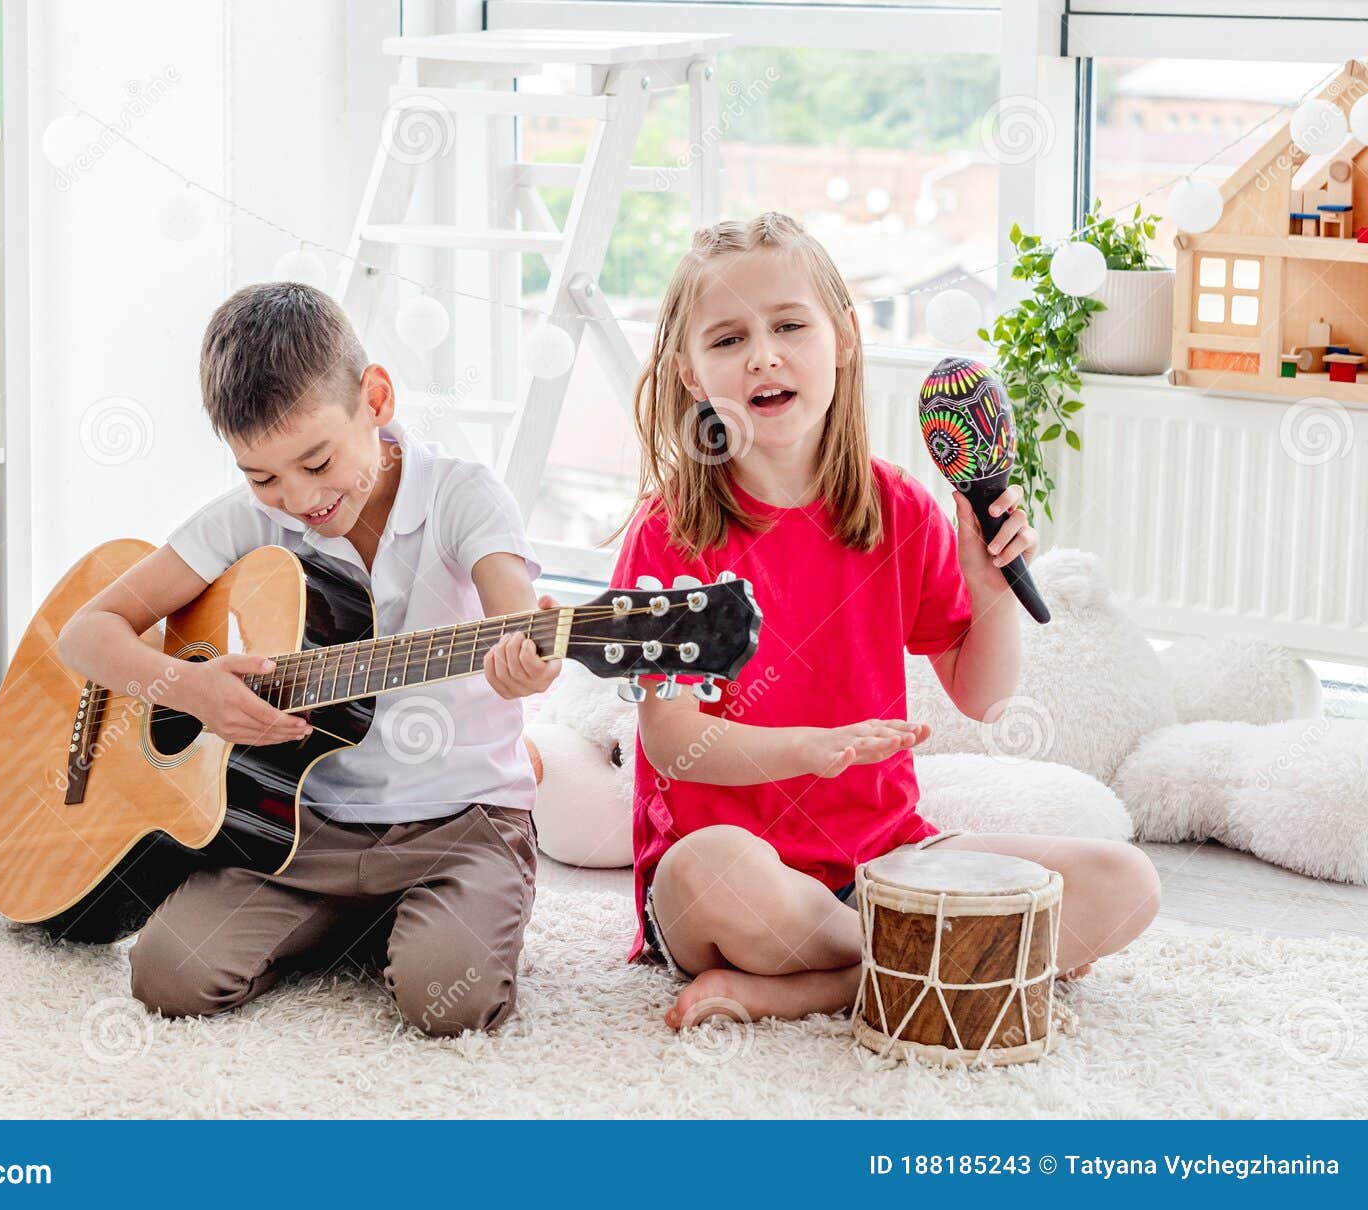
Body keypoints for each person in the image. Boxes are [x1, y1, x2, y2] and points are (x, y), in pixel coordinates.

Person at [612, 212, 1161, 1030]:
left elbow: (982, 696)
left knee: (1123, 885)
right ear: (691, 374)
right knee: (711, 872)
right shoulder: (670, 532)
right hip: (736, 881)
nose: (764, 353)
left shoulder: (895, 507)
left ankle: (826, 983)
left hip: (887, 859)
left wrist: (991, 590)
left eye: (789, 325)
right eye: (727, 339)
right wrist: (810, 751)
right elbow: (669, 741)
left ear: (842, 338)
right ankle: (947, 963)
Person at [57, 282, 559, 1035]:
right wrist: (189, 687)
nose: (297, 498)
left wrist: (531, 658)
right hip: (300, 829)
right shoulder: (252, 519)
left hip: (460, 822)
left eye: (318, 461)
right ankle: (351, 919)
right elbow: (85, 634)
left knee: (448, 1002)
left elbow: (516, 617)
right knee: (168, 974)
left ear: (377, 398)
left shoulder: (462, 496)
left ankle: (404, 921)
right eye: (261, 476)